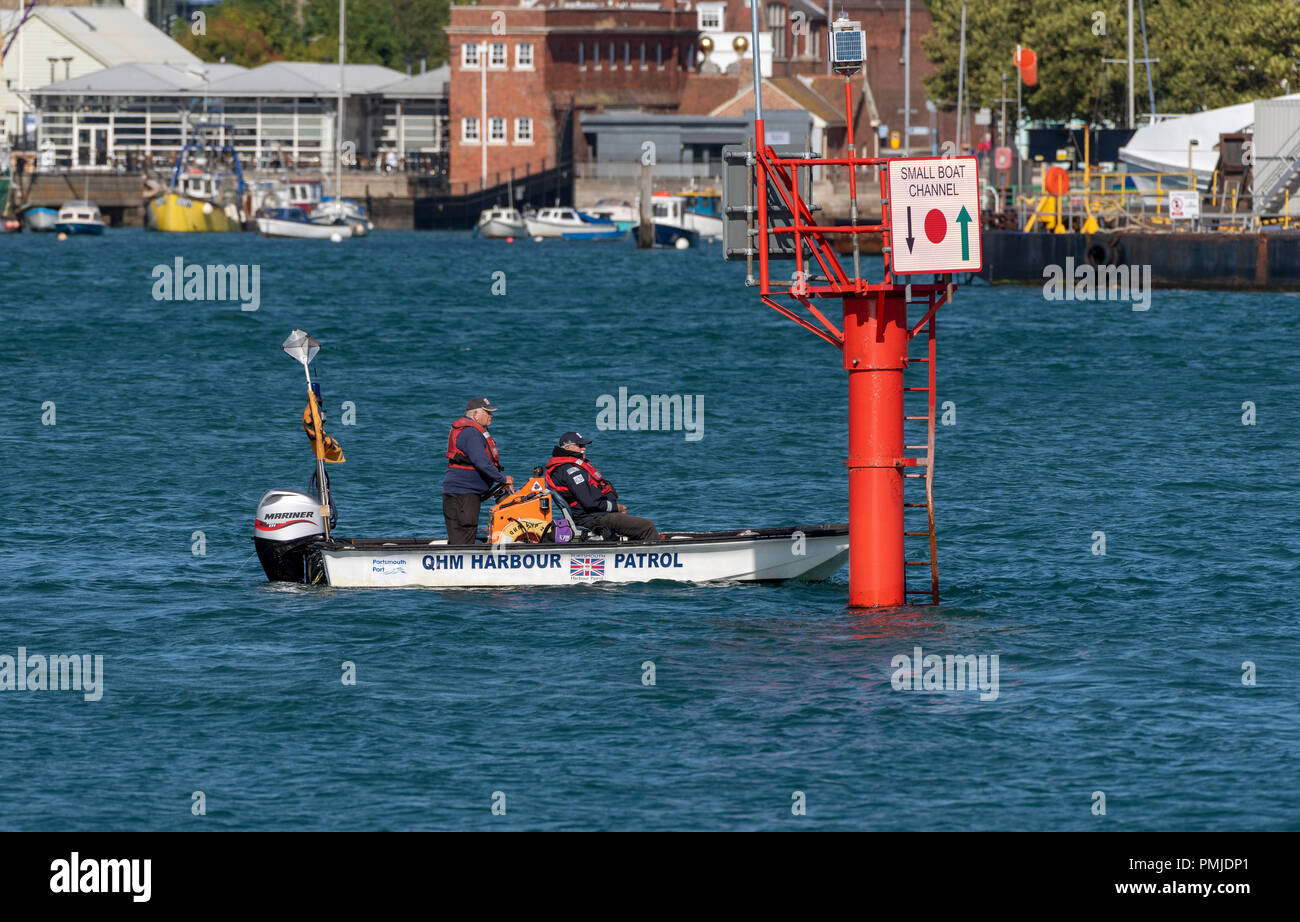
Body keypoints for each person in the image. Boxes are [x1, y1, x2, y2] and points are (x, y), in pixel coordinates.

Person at [544, 432, 659, 542]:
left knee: (633, 528)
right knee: (647, 526)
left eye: (584, 445)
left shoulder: (567, 468)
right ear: (567, 448)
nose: (584, 448)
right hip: (591, 518)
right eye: (580, 445)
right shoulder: (571, 471)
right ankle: (655, 557)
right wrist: (616, 508)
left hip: (593, 515)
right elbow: (590, 503)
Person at [443, 397, 513, 544]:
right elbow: (481, 462)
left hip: (462, 494)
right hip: (463, 495)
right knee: (464, 536)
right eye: (487, 412)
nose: (491, 416)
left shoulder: (472, 432)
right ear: (475, 414)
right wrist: (502, 479)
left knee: (461, 537)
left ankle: (458, 562)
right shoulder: (471, 434)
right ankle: (460, 565)